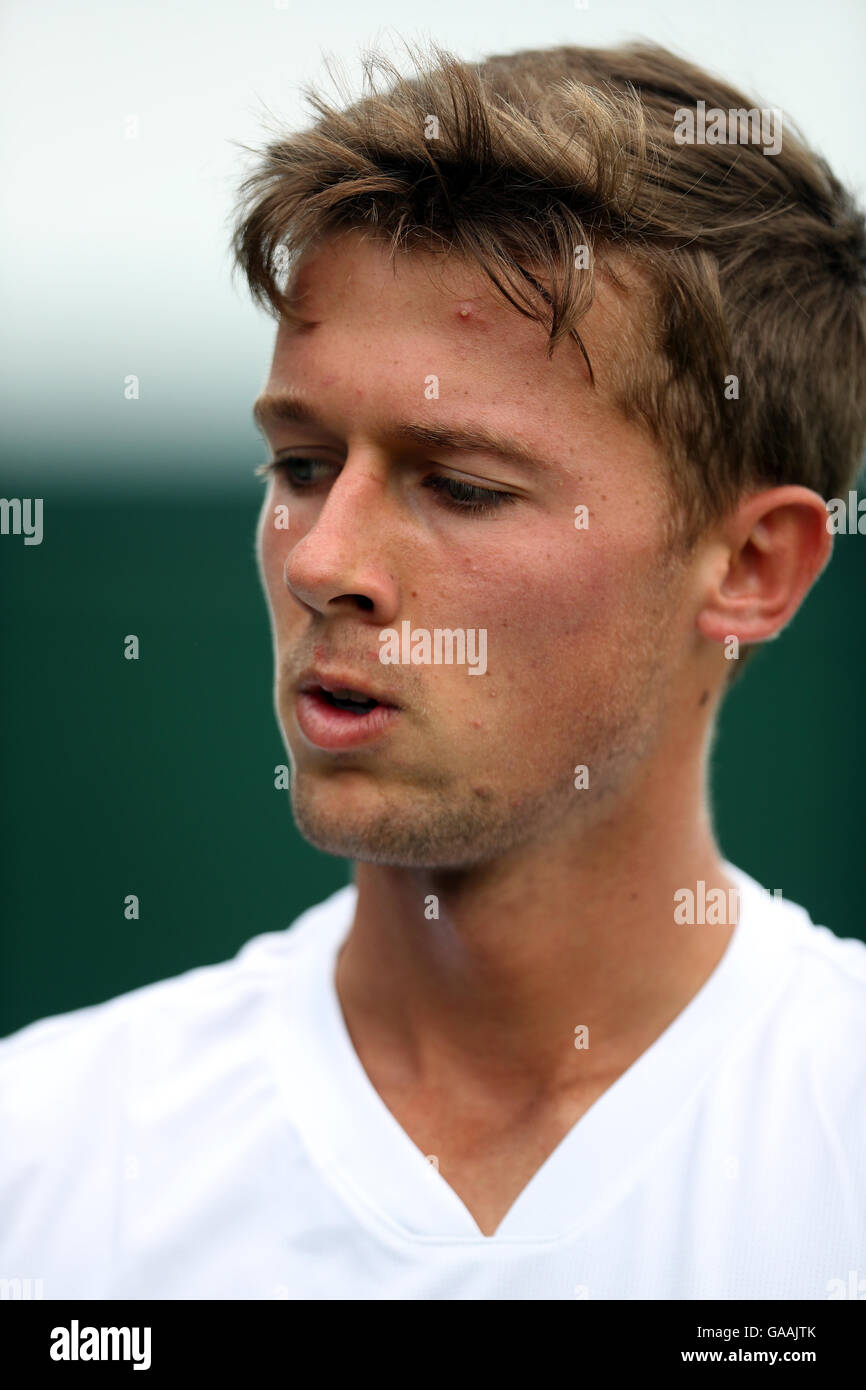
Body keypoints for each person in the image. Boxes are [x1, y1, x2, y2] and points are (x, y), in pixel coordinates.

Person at [2, 39, 865, 1300]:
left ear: (749, 567)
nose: (324, 560)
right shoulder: (46, 1164)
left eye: (459, 485)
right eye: (299, 466)